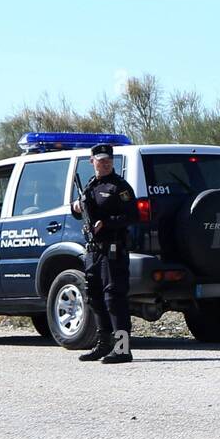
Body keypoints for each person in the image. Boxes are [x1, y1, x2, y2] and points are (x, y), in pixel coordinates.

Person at [72, 143, 137, 364]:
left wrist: (107, 223)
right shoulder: (90, 186)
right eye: (101, 159)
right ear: (92, 162)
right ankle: (104, 343)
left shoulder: (119, 187)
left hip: (114, 249)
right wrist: (76, 207)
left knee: (114, 298)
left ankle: (123, 349)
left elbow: (132, 216)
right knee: (95, 296)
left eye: (108, 159)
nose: (105, 162)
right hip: (93, 251)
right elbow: (78, 212)